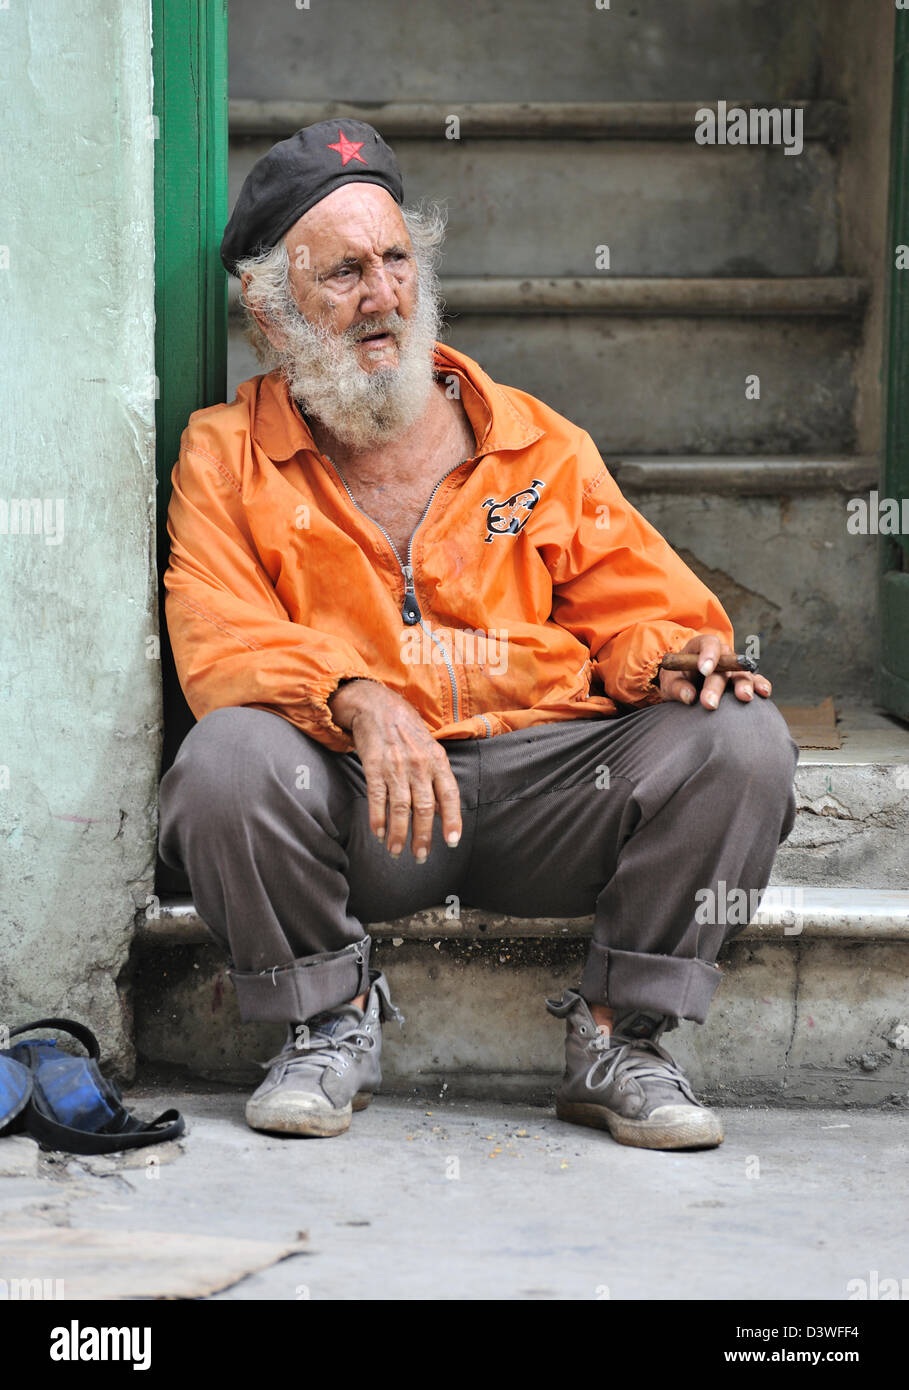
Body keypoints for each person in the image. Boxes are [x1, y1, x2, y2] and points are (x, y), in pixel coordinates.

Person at [158, 120, 799, 1151]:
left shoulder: (537, 440)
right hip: (360, 804)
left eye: (397, 260)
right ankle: (328, 1021)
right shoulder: (224, 457)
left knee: (741, 737)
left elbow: (645, 607)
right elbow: (215, 638)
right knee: (225, 761)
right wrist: (356, 696)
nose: (382, 297)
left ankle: (618, 1037)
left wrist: (672, 652)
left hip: (551, 793)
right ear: (274, 318)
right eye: (344, 275)